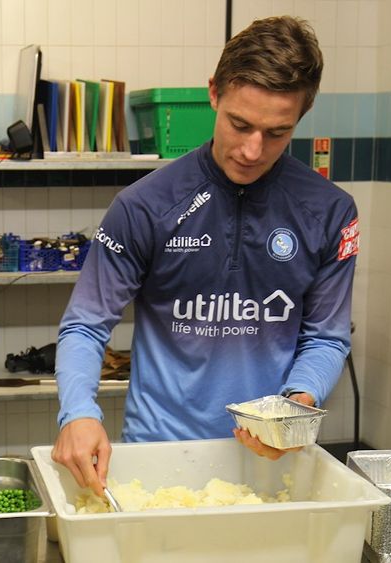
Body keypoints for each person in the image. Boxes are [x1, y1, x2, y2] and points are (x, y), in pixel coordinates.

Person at [51, 15, 360, 496]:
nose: (253, 150)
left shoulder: (329, 211)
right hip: (158, 460)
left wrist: (297, 406)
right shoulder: (144, 205)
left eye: (277, 133)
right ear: (214, 93)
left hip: (270, 462)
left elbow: (326, 337)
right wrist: (79, 412)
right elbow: (86, 324)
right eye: (240, 124)